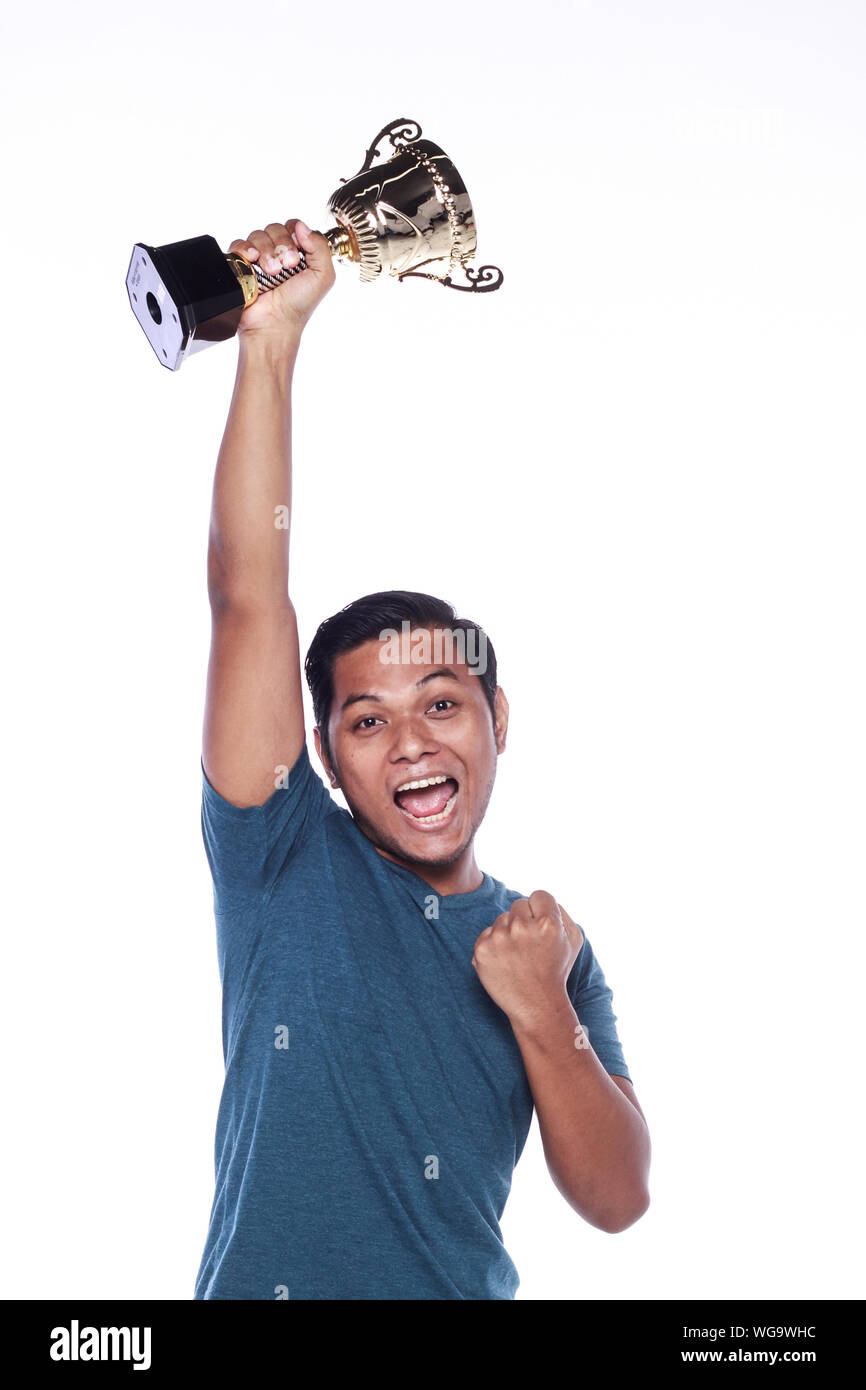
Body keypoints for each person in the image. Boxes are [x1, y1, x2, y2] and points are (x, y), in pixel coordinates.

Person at [193, 217, 651, 1300]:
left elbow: (618, 1196)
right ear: (324, 756)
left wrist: (540, 1003)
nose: (410, 741)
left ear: (499, 718)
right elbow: (245, 596)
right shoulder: (282, 851)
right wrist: (269, 342)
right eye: (367, 720)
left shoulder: (549, 949)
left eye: (442, 703)